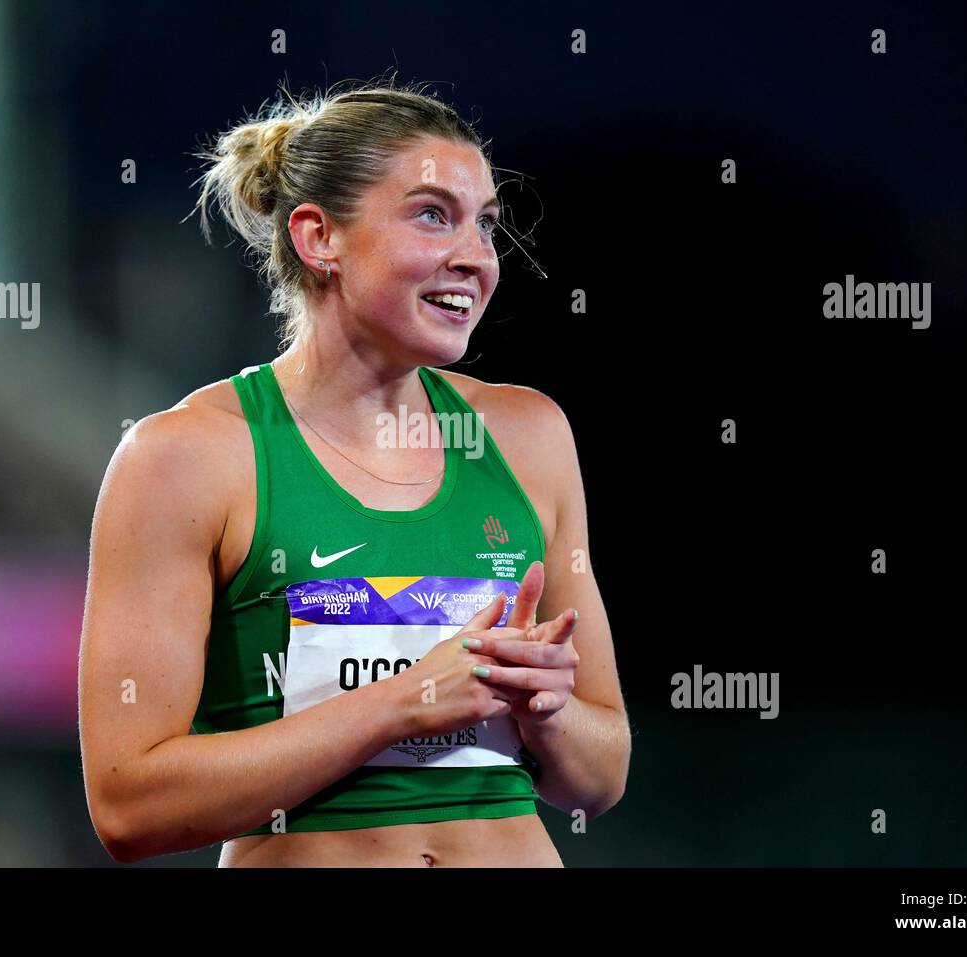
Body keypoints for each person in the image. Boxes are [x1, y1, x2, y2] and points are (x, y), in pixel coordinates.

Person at [78, 80, 629, 867]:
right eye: (433, 215)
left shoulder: (528, 435)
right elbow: (128, 805)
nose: (474, 258)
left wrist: (543, 707)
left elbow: (602, 772)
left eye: (486, 225)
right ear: (318, 238)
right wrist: (400, 704)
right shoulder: (185, 457)